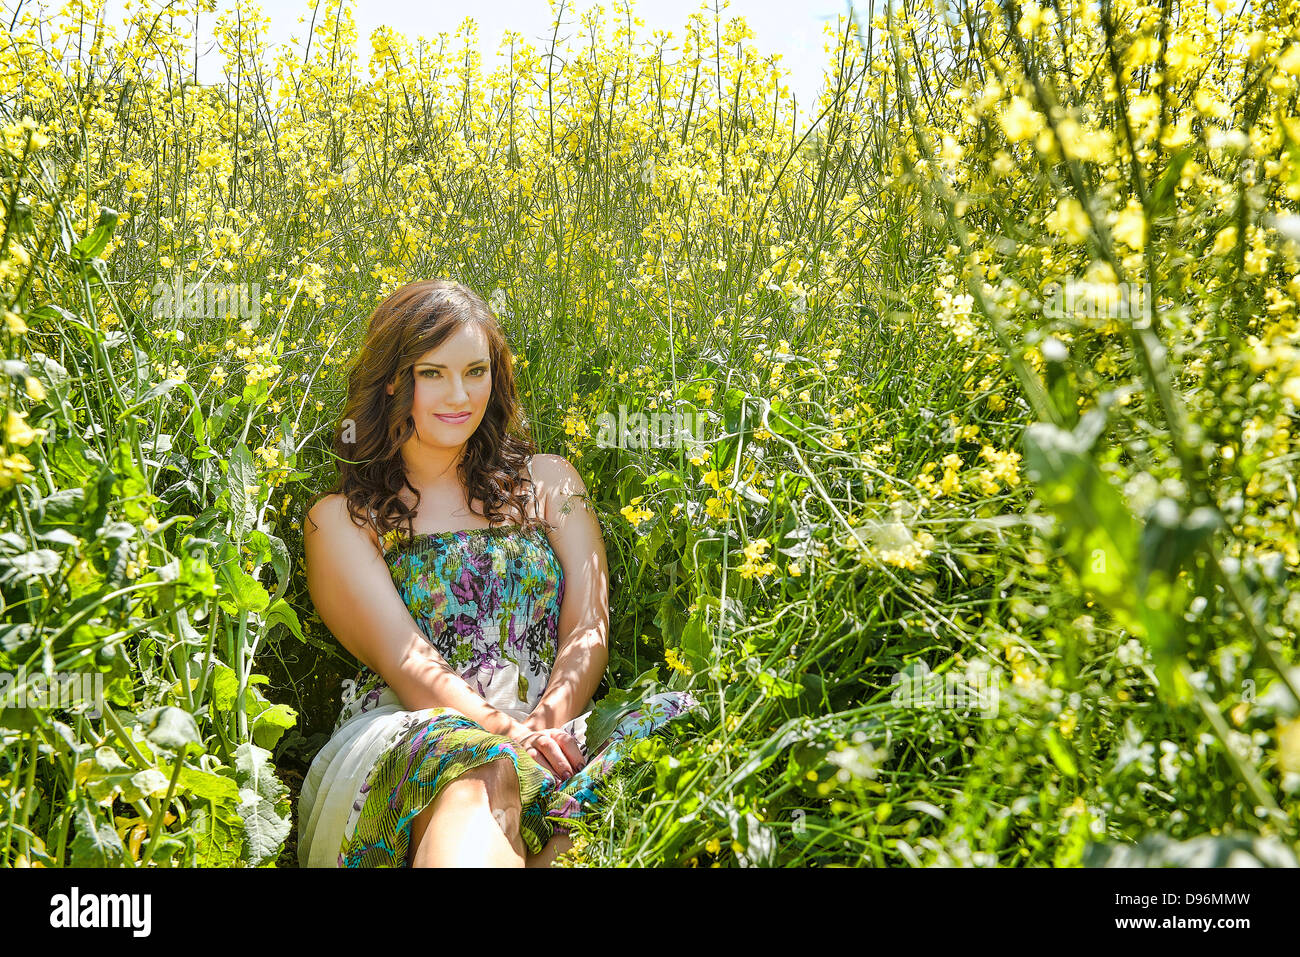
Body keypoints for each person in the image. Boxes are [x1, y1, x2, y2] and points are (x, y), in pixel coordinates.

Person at [296, 279, 701, 867]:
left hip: (558, 728)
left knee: (678, 723)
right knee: (480, 771)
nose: (458, 394)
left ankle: (552, 839)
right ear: (391, 382)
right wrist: (510, 738)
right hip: (424, 730)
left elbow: (589, 625)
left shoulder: (550, 482)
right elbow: (410, 666)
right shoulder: (343, 520)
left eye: (476, 371)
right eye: (431, 373)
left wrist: (545, 727)